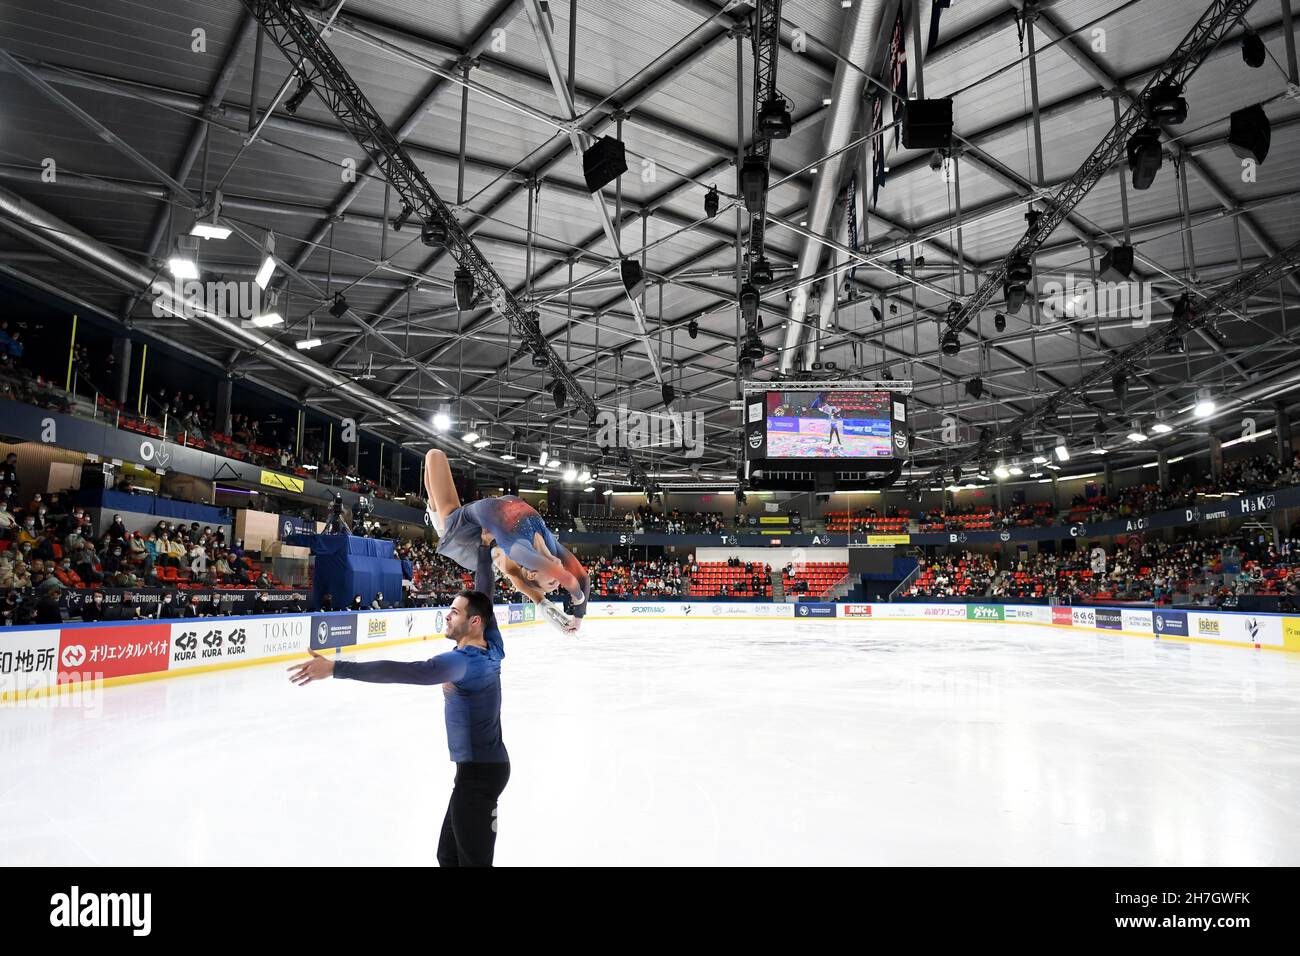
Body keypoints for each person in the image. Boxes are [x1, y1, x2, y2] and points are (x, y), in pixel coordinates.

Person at [289, 542, 509, 866]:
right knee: (447, 855)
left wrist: (337, 668)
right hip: (478, 772)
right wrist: (482, 548)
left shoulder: (463, 662)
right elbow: (484, 595)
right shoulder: (492, 644)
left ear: (474, 622)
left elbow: (403, 672)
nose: (447, 616)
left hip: (480, 775)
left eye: (455, 612)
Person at [422, 448, 588, 634]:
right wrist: (578, 617)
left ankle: (434, 511)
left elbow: (565, 577)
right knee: (432, 486)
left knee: (435, 454)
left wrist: (573, 595)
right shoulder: (550, 544)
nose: (557, 582)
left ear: (533, 573)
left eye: (551, 583)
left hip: (459, 528)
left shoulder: (518, 548)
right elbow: (582, 577)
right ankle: (432, 508)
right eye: (556, 584)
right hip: (481, 528)